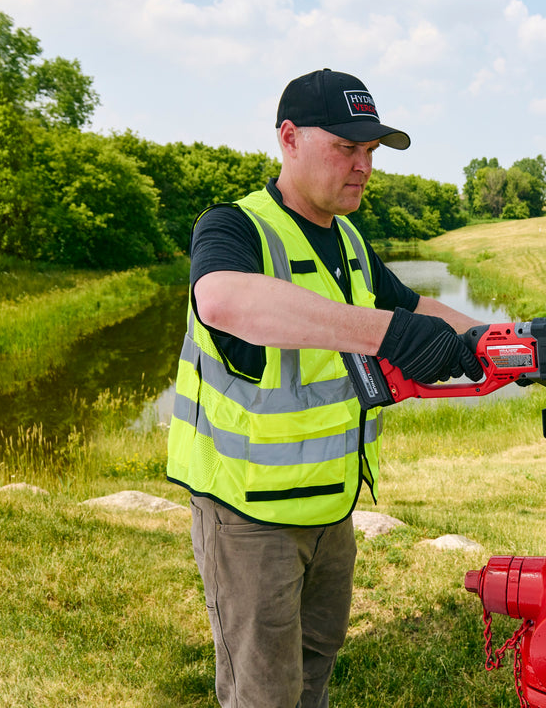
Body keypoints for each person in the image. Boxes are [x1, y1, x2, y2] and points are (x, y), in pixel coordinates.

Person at [166, 68, 484, 708]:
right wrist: (384, 335)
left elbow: (419, 304)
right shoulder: (235, 226)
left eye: (370, 152)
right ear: (288, 138)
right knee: (264, 692)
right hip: (249, 517)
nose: (363, 165)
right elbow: (223, 299)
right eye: (347, 147)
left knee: (314, 671)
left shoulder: (350, 241)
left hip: (329, 507)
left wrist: (517, 343)